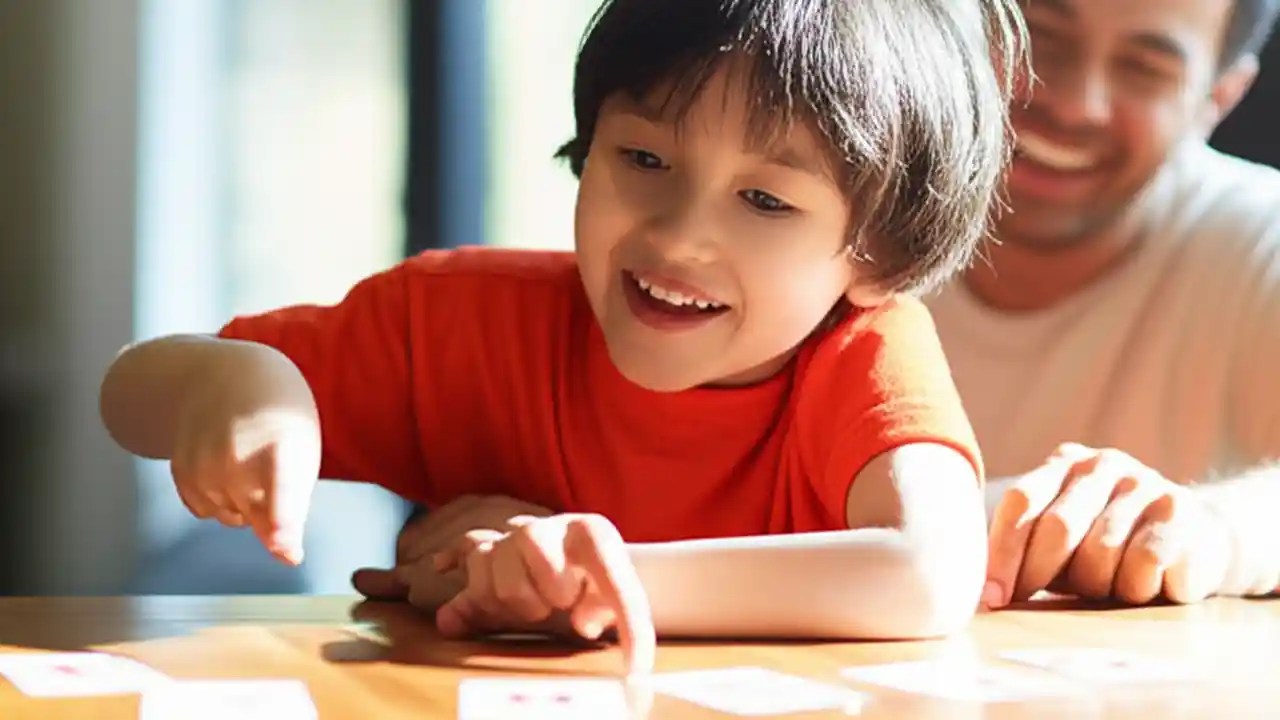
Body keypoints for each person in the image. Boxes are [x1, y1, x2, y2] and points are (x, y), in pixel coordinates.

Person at [99, 0, 1026, 674]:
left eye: (765, 201)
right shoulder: (465, 319)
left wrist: (587, 572)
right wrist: (245, 384)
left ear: (878, 261)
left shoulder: (864, 348)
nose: (678, 234)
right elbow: (126, 398)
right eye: (644, 159)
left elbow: (929, 573)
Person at [923, 0, 1280, 610]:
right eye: (1040, 36)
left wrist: (1214, 531)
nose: (1073, 105)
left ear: (1218, 98)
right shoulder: (810, 210)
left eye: (1145, 68)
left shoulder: (1260, 239)